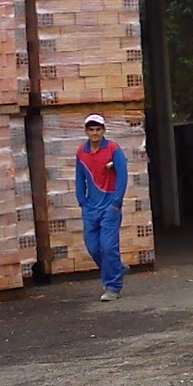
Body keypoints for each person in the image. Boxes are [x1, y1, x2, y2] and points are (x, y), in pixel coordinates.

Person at [75, 113, 129, 301]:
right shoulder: (81, 152)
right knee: (93, 247)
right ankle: (118, 268)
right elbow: (79, 177)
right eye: (91, 130)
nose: (95, 133)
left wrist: (116, 202)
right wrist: (81, 200)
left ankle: (112, 287)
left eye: (98, 129)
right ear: (87, 132)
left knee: (108, 247)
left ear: (104, 130)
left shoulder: (113, 149)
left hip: (109, 207)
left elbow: (122, 175)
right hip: (90, 207)